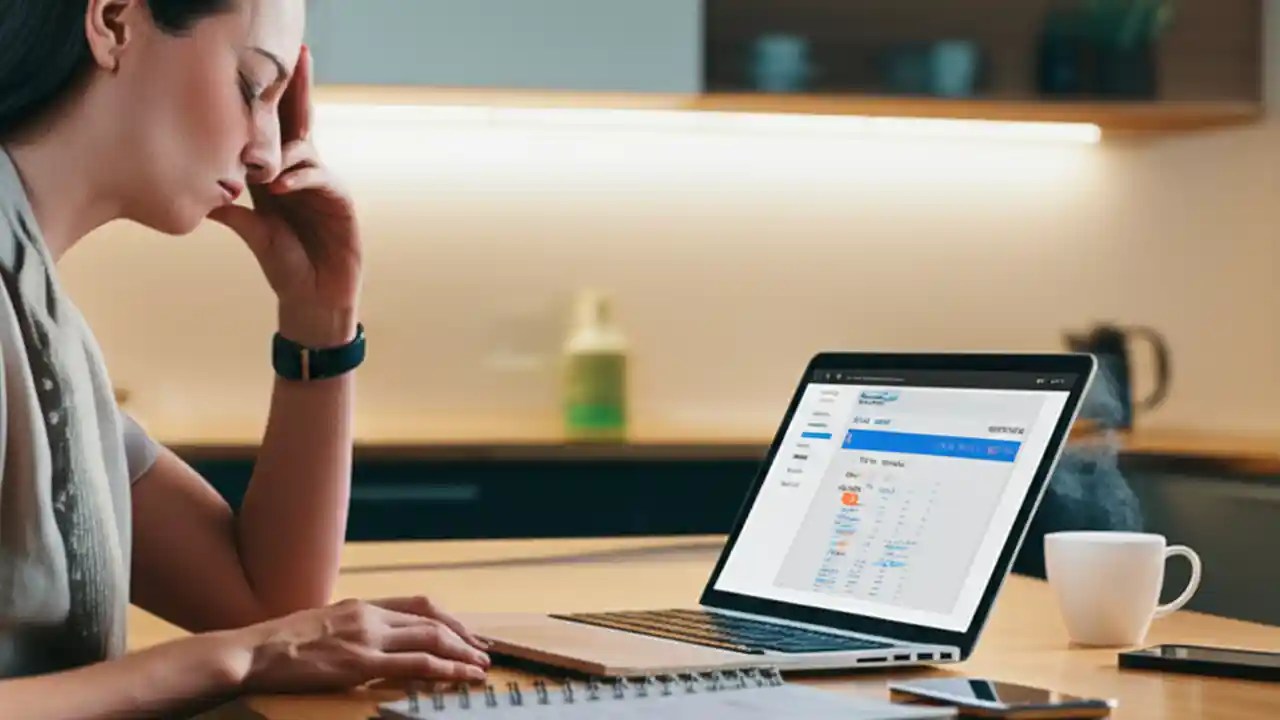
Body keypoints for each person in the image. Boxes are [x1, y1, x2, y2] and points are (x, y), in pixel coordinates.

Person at [0, 0, 491, 715]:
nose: (267, 150)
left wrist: (320, 317)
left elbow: (266, 601)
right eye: (253, 87)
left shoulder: (44, 319)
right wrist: (238, 657)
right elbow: (261, 635)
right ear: (111, 21)